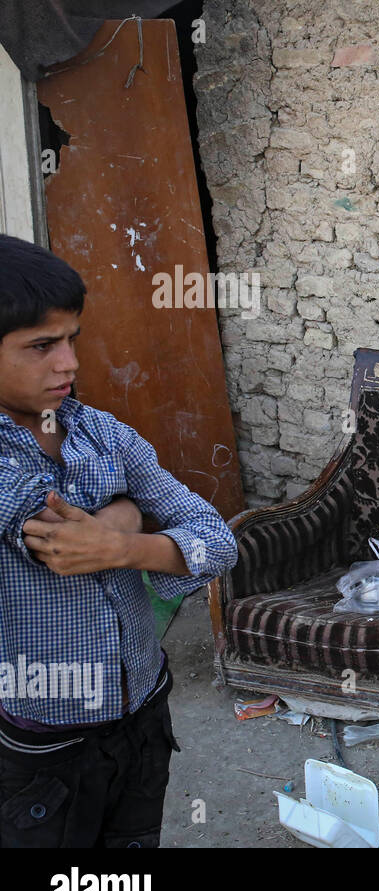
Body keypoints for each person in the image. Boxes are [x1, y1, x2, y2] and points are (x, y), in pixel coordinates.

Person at [0, 234, 237, 847]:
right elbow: (60, 546)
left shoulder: (104, 434)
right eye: (41, 346)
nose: (69, 364)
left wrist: (127, 544)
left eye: (72, 339)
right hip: (42, 732)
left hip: (142, 706)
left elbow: (217, 537)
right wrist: (134, 514)